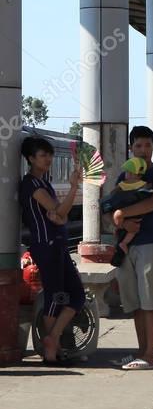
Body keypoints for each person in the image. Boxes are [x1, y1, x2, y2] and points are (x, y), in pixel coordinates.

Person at [19, 136, 85, 365]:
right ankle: (51, 349)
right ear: (30, 159)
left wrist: (60, 214)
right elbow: (58, 211)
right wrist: (74, 187)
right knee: (56, 295)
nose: (48, 159)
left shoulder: (44, 184)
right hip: (46, 245)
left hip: (56, 244)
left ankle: (52, 338)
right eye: (42, 155)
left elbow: (61, 215)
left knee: (76, 294)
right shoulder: (31, 184)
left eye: (49, 154)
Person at [111, 125, 153, 371]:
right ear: (131, 148)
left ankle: (151, 355)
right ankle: (142, 352)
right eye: (138, 145)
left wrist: (122, 213)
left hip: (149, 243)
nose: (143, 150)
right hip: (127, 247)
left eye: (148, 145)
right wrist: (121, 220)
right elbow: (108, 210)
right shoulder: (122, 177)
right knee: (135, 303)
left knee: (151, 301)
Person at [100, 158, 153, 267]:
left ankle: (121, 243)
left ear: (137, 174)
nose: (127, 174)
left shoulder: (122, 184)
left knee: (128, 228)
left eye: (129, 172)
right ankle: (124, 243)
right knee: (134, 229)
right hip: (134, 214)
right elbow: (149, 190)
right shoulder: (143, 184)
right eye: (127, 172)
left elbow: (113, 194)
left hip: (122, 215)